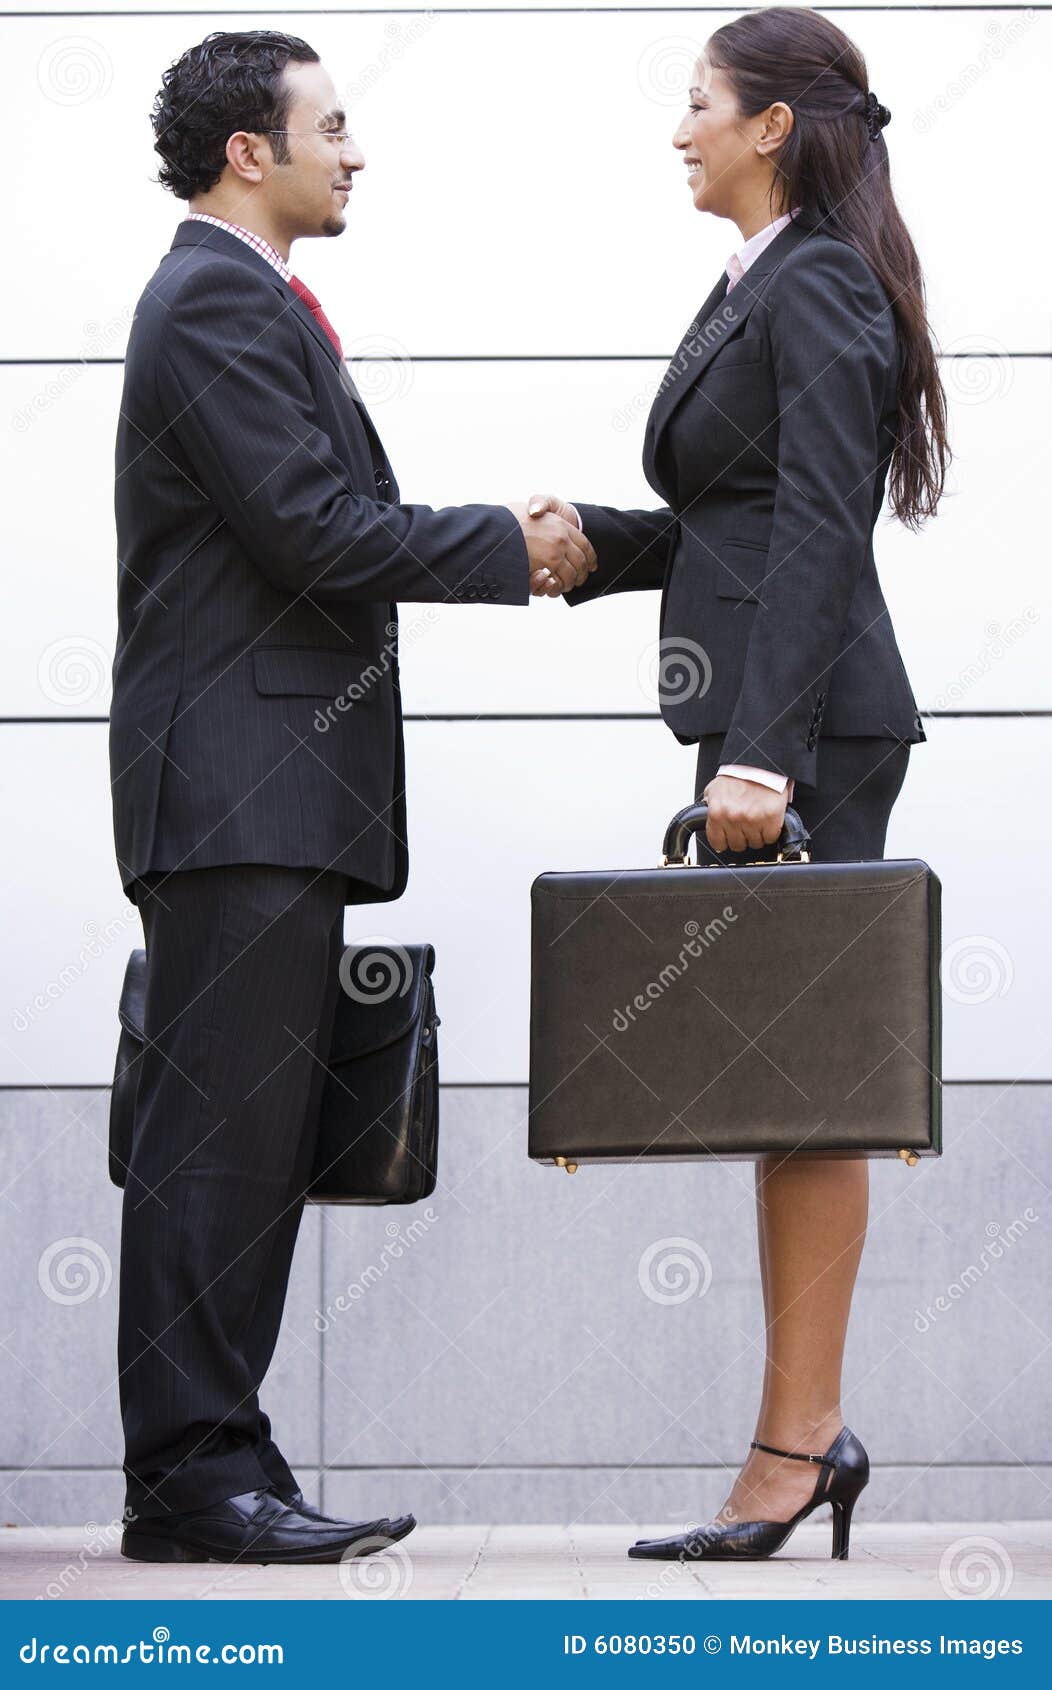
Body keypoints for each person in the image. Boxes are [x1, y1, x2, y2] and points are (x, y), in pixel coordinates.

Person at [110, 28, 594, 1565]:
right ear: (247, 150)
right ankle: (192, 1475)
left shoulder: (246, 300)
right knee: (219, 1141)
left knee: (255, 1140)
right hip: (237, 795)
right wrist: (511, 546)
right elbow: (316, 530)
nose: (355, 152)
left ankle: (220, 1454)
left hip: (266, 797)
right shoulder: (210, 300)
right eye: (331, 126)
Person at [529, 5, 948, 1561]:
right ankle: (799, 1437)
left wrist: (763, 749)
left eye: (700, 100)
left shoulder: (816, 279)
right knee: (791, 1090)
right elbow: (743, 513)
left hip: (808, 730)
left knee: (813, 1093)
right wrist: (594, 548)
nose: (681, 127)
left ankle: (797, 1446)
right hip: (782, 721)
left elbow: (826, 519)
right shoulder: (765, 277)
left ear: (773, 125)